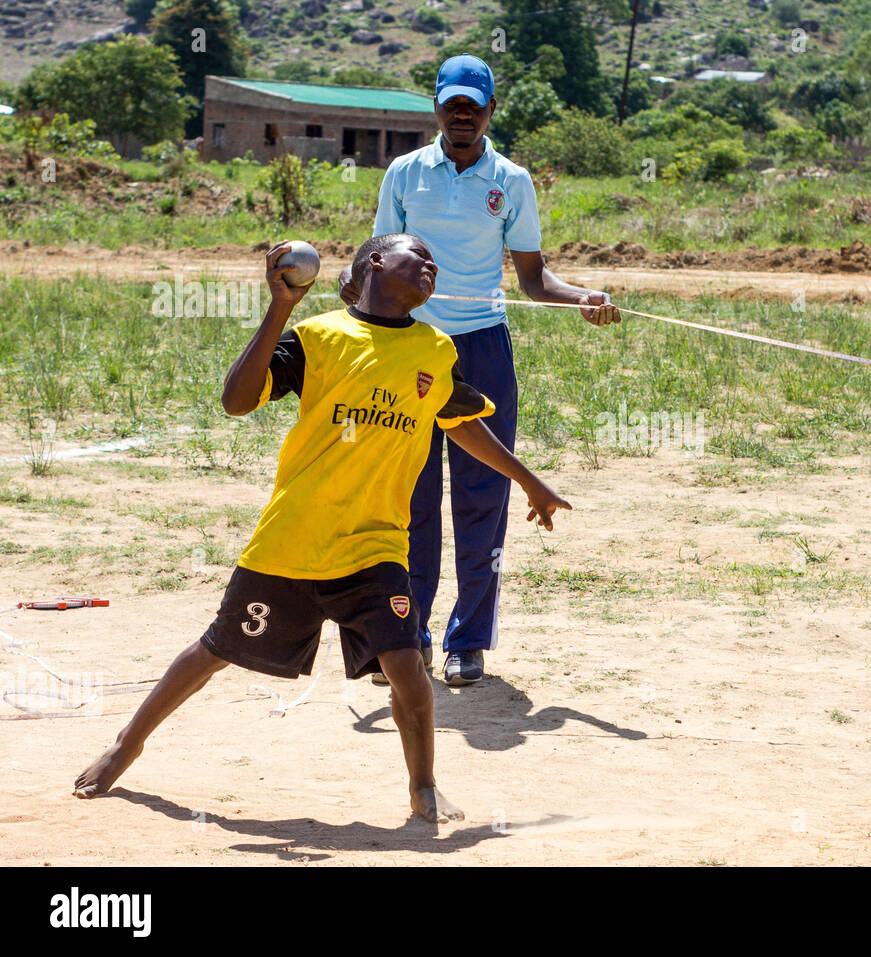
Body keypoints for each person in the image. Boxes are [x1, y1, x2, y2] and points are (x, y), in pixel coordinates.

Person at [73, 235, 571, 823]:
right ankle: (126, 745)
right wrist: (281, 307)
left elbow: (457, 421)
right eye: (421, 257)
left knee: (407, 667)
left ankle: (424, 789)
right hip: (294, 538)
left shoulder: (435, 350)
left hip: (376, 541)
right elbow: (237, 400)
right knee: (214, 650)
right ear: (377, 264)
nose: (433, 267)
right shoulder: (319, 337)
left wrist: (528, 480)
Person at [340, 53, 619, 688]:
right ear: (435, 108)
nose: (461, 116)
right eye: (451, 105)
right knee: (408, 497)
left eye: (473, 106)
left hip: (482, 349)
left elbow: (531, 277)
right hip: (408, 348)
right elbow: (377, 261)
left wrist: (585, 300)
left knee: (482, 494)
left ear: (490, 111)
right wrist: (350, 285)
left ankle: (468, 640)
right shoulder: (405, 174)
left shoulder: (512, 181)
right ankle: (406, 635)